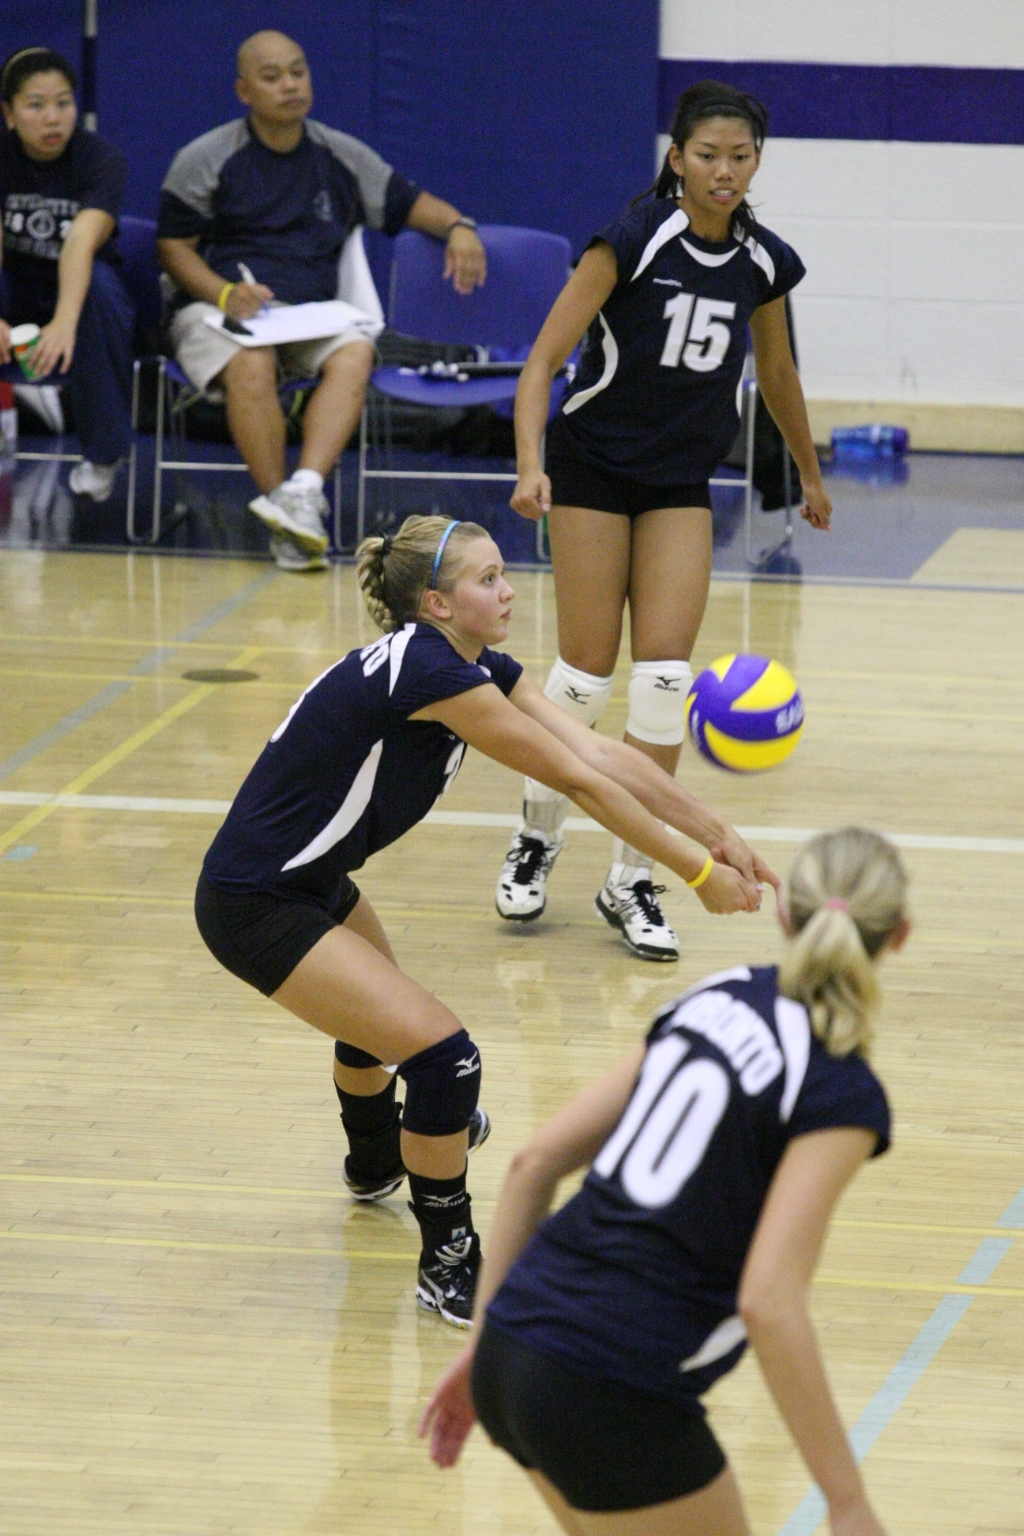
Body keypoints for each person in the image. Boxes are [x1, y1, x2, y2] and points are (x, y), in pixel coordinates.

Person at [195, 514, 779, 1327]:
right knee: (445, 1061)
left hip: (308, 880)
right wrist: (698, 874)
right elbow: (578, 782)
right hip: (255, 900)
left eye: (504, 574)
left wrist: (719, 833)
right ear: (437, 603)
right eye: (488, 579)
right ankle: (449, 1262)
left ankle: (375, 1158)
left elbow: (600, 753)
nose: (509, 592)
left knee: (378, 1021)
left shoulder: (474, 666)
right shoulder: (430, 674)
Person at [422, 827, 909, 1536]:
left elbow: (533, 1163)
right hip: (611, 1386)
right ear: (899, 935)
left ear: (784, 914)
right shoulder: (839, 1088)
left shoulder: (714, 996)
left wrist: (482, 1348)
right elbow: (770, 1302)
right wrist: (846, 1500)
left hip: (513, 1345)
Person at [495, 79, 832, 962]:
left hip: (680, 476)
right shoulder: (633, 239)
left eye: (741, 157)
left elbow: (779, 375)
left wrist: (808, 471)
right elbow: (542, 363)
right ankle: (536, 834)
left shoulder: (764, 262)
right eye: (708, 155)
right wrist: (530, 465)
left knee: (664, 680)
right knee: (583, 676)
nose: (725, 171)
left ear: (757, 163)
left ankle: (633, 876)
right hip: (593, 467)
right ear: (677, 158)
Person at [157, 29, 487, 572]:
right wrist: (224, 293)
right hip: (219, 312)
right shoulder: (206, 158)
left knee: (355, 352)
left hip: (310, 318)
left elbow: (408, 202)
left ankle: (304, 493)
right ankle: (286, 520)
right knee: (251, 361)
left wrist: (459, 226)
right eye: (272, 77)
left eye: (298, 71)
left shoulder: (340, 155)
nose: (289, 85)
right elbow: (172, 249)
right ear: (244, 91)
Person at [0, 47, 134, 502]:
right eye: (36, 105)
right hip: (13, 286)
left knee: (101, 289)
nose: (53, 118)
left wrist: (64, 321)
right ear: (9, 114)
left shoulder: (101, 160)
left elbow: (80, 241)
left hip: (81, 289)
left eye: (63, 103)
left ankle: (104, 455)